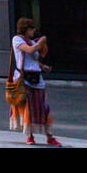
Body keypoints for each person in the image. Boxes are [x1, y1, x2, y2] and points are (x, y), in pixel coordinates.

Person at [10, 17, 61, 146]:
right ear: (25, 29)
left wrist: (42, 66)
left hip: (36, 77)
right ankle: (30, 136)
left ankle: (49, 136)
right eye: (32, 28)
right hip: (23, 79)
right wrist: (42, 41)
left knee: (43, 106)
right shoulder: (17, 40)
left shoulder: (32, 41)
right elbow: (29, 50)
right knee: (28, 108)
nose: (34, 31)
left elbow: (32, 59)